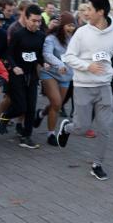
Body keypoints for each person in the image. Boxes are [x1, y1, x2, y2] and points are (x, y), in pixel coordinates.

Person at [57, 0, 113, 180]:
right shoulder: (81, 33)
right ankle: (67, 128)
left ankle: (97, 164)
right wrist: (87, 66)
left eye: (89, 9)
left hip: (105, 87)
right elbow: (69, 57)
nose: (86, 13)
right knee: (82, 128)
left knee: (104, 127)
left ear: (101, 12)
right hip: (83, 86)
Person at [3, 4, 46, 148]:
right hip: (17, 76)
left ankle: (26, 136)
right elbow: (8, 54)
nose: (36, 24)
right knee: (21, 107)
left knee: (31, 107)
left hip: (32, 75)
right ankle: (5, 117)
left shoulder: (41, 36)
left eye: (39, 21)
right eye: (33, 20)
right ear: (26, 19)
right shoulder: (18, 35)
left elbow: (38, 55)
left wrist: (43, 63)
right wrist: (14, 66)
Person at [40, 12, 74, 145]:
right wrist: (59, 64)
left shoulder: (74, 39)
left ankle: (41, 114)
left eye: (73, 26)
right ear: (62, 25)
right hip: (50, 73)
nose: (71, 29)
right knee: (56, 102)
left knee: (58, 104)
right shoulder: (51, 38)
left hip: (66, 76)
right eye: (69, 26)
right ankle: (51, 134)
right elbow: (47, 54)